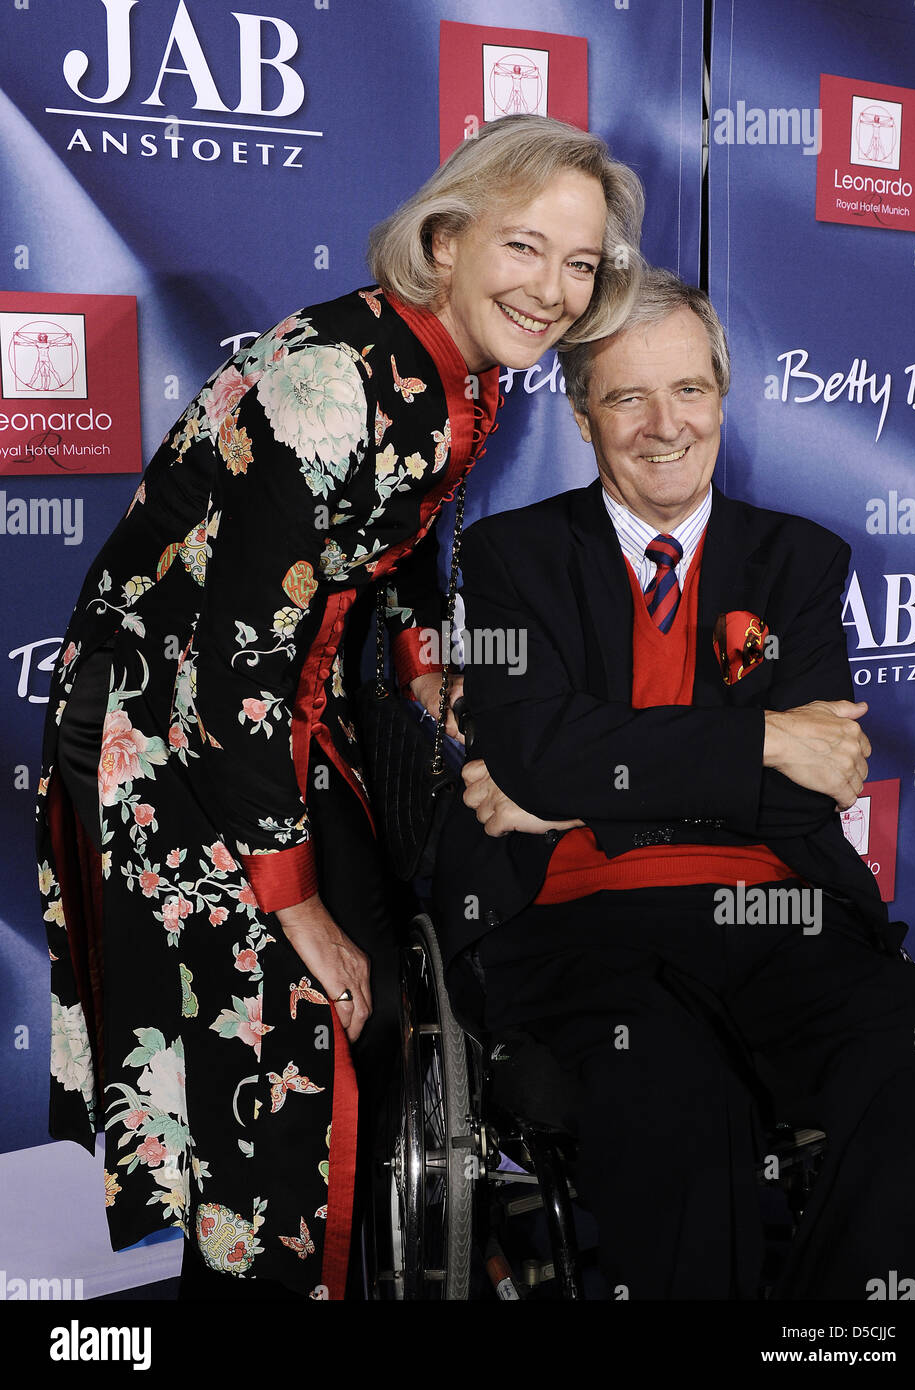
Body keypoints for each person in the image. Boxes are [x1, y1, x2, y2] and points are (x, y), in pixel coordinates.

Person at [36, 114, 646, 1300]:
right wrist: (293, 901)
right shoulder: (334, 378)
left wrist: (424, 662)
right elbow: (238, 658)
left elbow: (388, 546)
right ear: (446, 236)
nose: (555, 291)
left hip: (269, 708)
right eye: (526, 249)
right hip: (170, 723)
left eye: (581, 264)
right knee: (275, 1049)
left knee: (351, 1024)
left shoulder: (448, 369)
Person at [435, 268, 915, 1300]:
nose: (664, 426)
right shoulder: (510, 558)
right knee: (670, 1096)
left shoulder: (798, 559)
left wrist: (575, 783)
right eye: (628, 396)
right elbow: (534, 750)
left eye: (689, 391)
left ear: (721, 397)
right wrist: (757, 739)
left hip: (782, 910)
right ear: (582, 417)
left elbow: (809, 797)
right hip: (580, 925)